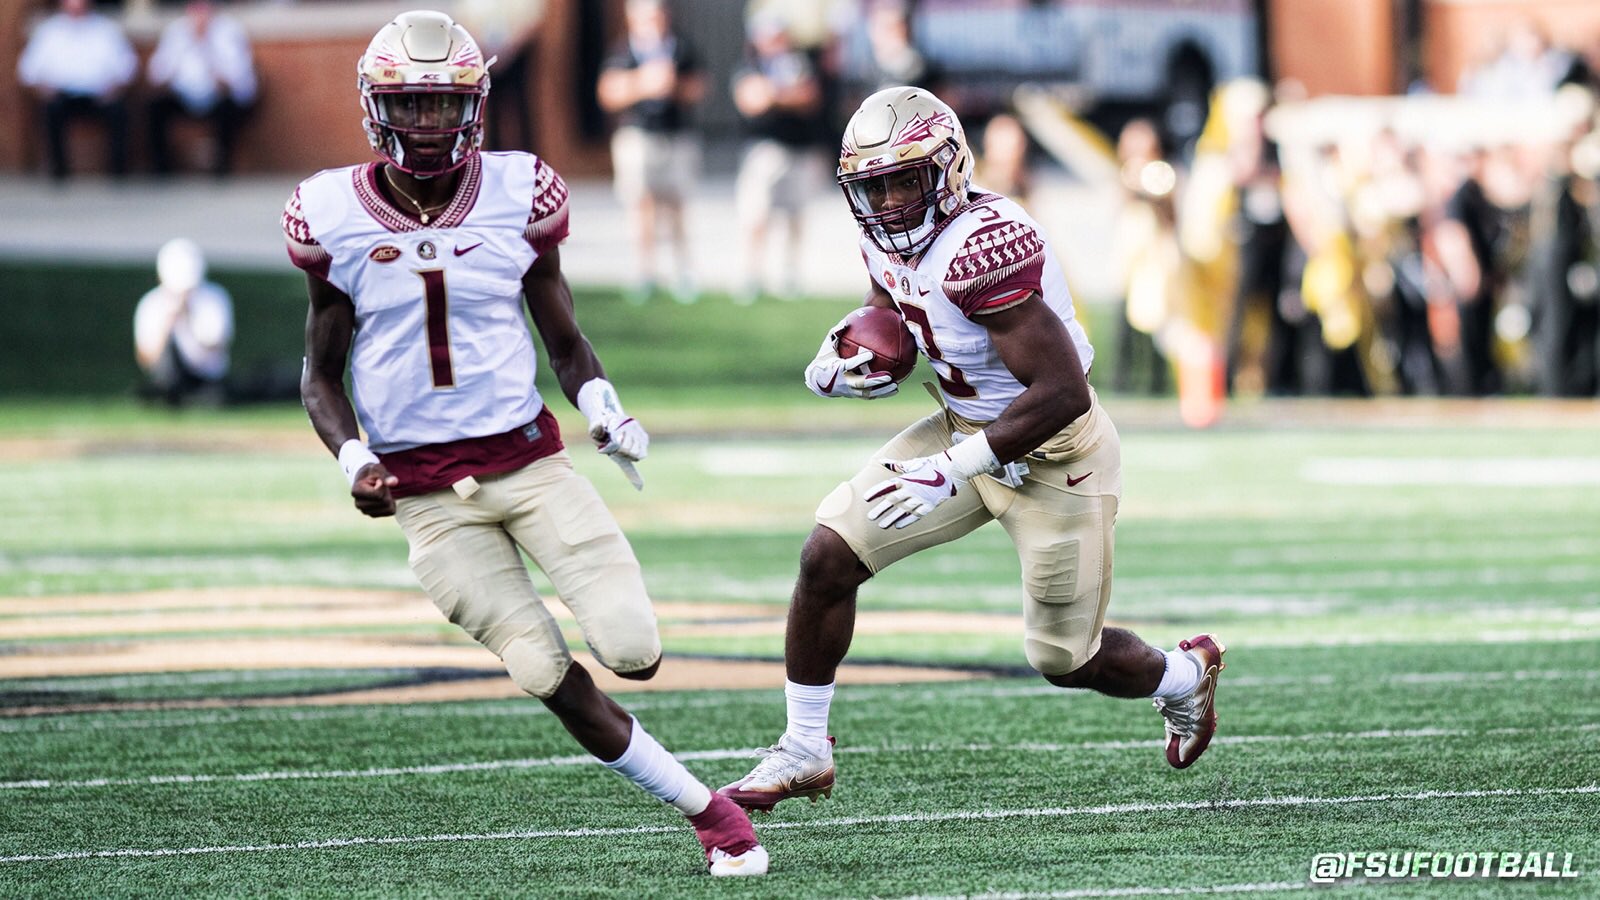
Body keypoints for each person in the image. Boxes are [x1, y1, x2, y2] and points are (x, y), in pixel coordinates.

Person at [284, 11, 765, 877]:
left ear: (475, 105)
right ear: (375, 106)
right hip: (428, 501)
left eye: (444, 104)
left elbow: (566, 340)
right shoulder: (329, 214)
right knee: (542, 667)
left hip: (531, 465)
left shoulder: (521, 190)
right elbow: (320, 375)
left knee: (634, 652)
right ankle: (709, 811)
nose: (429, 123)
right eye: (412, 103)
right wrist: (355, 459)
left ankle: (704, 797)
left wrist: (606, 407)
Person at [717, 87, 1226, 812]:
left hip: (1056, 454)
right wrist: (844, 353)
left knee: (1062, 658)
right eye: (873, 186)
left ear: (948, 170)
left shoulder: (983, 246)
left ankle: (1183, 676)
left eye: (904, 180)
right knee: (826, 555)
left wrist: (952, 468)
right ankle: (804, 747)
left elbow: (1062, 392)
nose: (888, 202)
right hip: (961, 428)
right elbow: (889, 306)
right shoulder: (885, 233)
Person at [596, 0, 705, 303]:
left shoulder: (681, 48)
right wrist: (644, 83)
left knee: (677, 205)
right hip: (638, 136)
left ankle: (683, 272)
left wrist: (674, 86)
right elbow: (607, 92)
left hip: (676, 135)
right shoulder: (622, 51)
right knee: (640, 206)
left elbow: (698, 88)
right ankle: (645, 272)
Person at [731, 15, 824, 302]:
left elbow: (810, 98)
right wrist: (786, 94)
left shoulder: (800, 63)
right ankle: (752, 274)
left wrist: (774, 94)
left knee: (795, 216)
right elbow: (752, 101)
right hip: (764, 150)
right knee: (757, 215)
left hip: (798, 149)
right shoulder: (749, 66)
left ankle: (790, 274)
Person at [17, 0, 137, 180]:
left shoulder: (106, 30)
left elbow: (128, 67)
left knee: (119, 111)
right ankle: (59, 171)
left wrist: (115, 86)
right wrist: (43, 88)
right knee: (51, 110)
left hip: (99, 96)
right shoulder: (49, 31)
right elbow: (27, 71)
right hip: (62, 95)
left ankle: (117, 172)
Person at [145, 0, 258, 176]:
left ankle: (222, 168)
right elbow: (156, 75)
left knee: (227, 109)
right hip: (182, 95)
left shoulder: (229, 31)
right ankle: (161, 168)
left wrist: (207, 48)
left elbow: (241, 81)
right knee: (155, 106)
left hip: (217, 97)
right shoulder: (176, 32)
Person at [134, 238, 233, 407]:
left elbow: (215, 349)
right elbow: (146, 358)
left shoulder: (214, 299)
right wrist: (168, 324)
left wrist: (189, 318)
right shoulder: (151, 303)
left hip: (205, 379)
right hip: (167, 379)